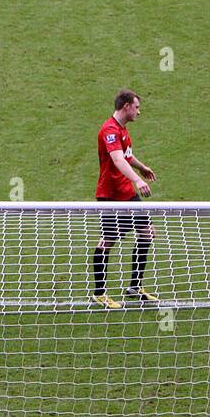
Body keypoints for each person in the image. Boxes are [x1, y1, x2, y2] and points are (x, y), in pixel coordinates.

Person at [92, 89, 159, 309]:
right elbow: (118, 160)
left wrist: (142, 168)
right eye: (137, 107)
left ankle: (134, 286)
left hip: (126, 194)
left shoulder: (123, 129)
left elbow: (127, 155)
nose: (139, 112)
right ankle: (100, 293)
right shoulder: (109, 130)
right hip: (111, 196)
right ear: (126, 106)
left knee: (147, 232)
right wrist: (138, 181)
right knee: (108, 241)